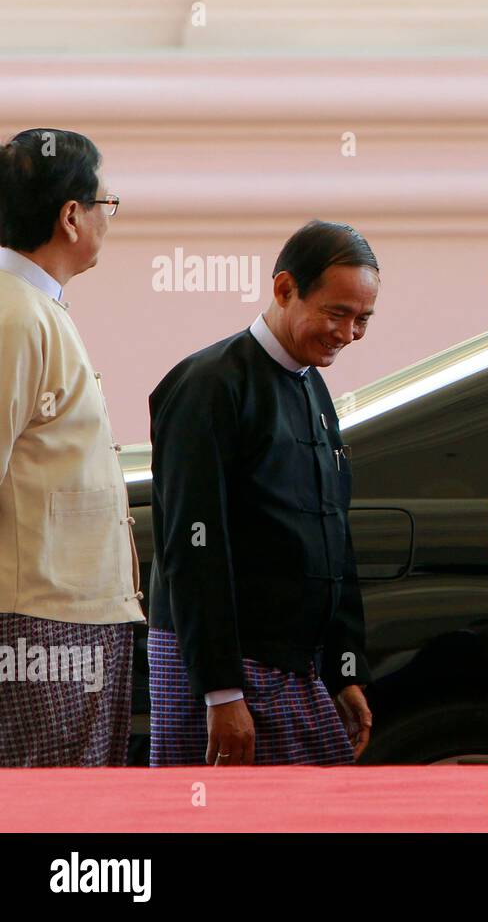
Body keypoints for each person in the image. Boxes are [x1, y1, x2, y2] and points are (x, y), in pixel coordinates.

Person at [148, 220, 378, 766]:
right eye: (336, 313)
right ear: (283, 289)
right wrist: (221, 693)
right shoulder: (207, 384)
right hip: (221, 674)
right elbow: (193, 547)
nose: (347, 334)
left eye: (362, 319)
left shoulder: (311, 382)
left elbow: (332, 531)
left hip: (293, 668)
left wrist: (344, 671)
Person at [0, 128, 142, 767]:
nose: (108, 220)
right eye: (106, 205)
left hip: (64, 615)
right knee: (50, 806)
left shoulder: (33, 308)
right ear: (71, 216)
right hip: (40, 619)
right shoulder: (15, 317)